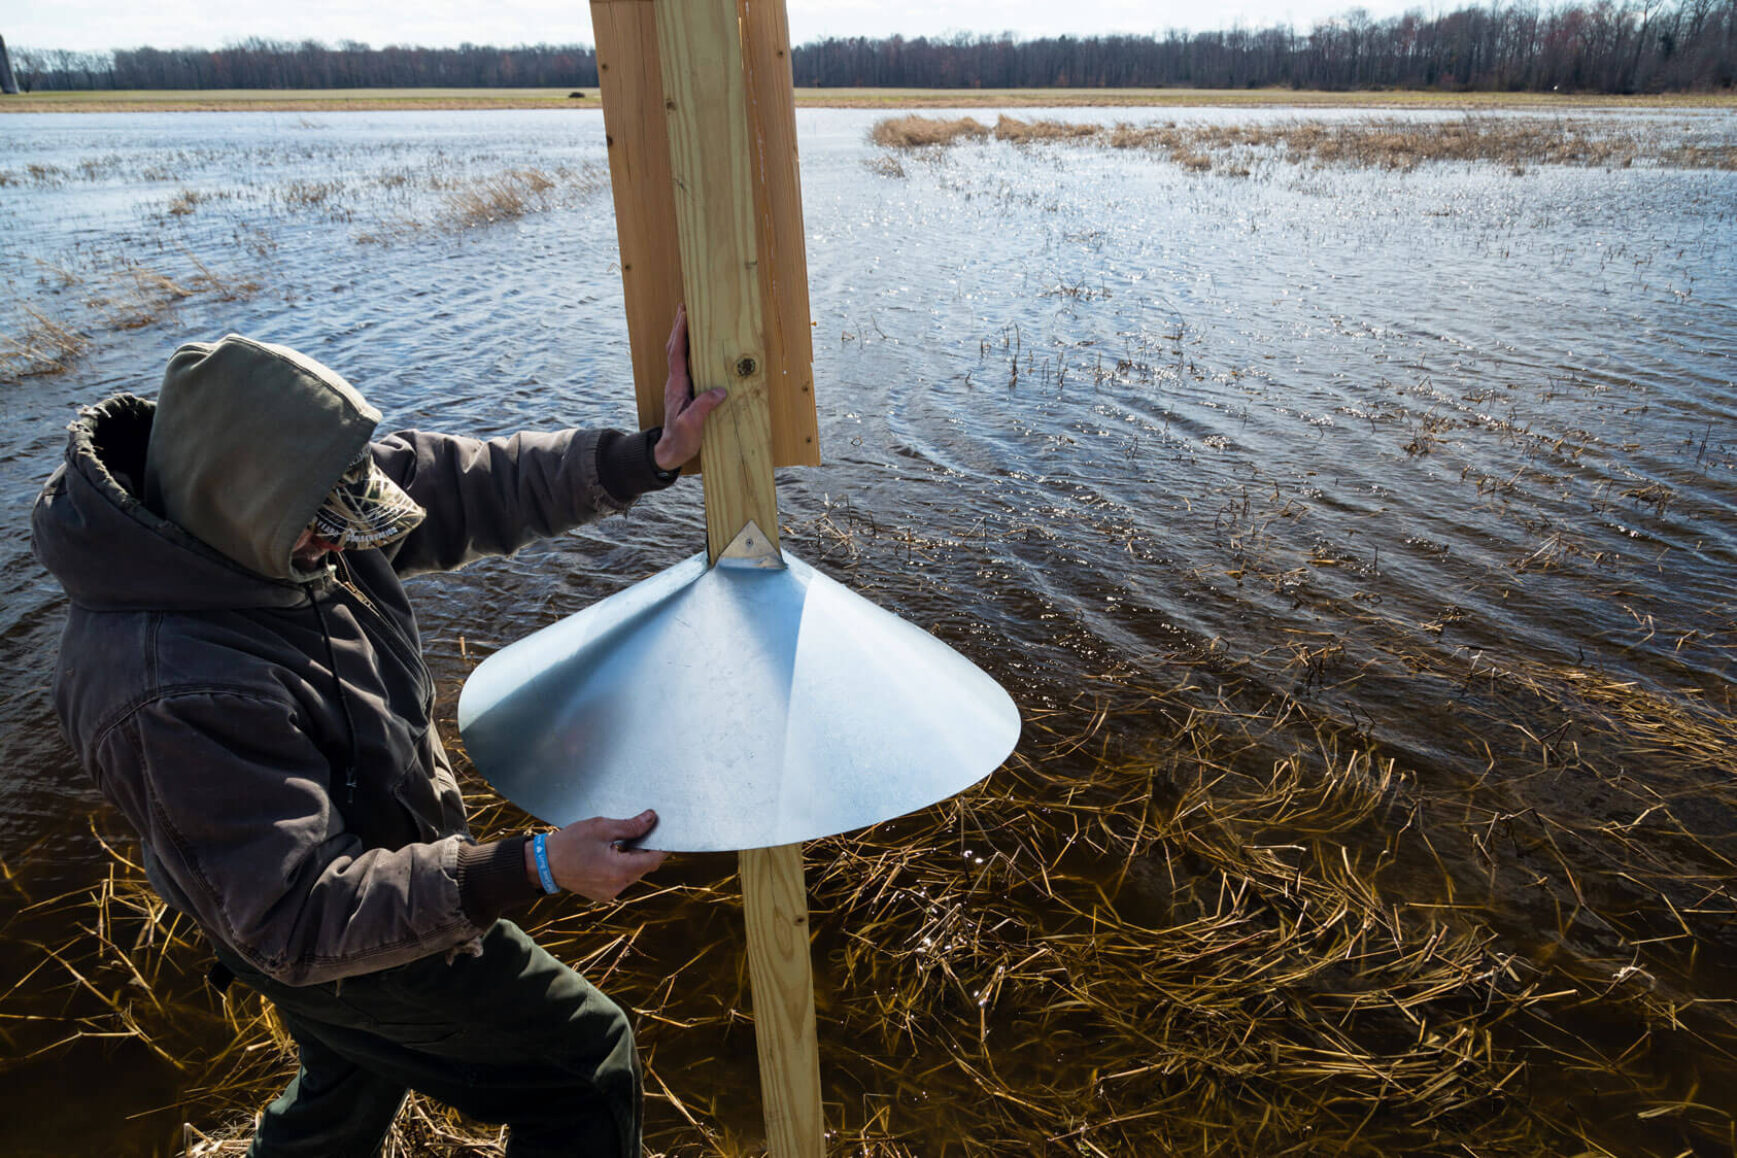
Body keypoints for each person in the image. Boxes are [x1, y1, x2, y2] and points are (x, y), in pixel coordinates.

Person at [30, 307, 724, 1157]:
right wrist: (532, 866)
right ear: (241, 504)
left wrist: (645, 457)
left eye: (351, 513)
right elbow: (293, 915)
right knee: (584, 1061)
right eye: (324, 528)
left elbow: (467, 487)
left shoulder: (282, 503)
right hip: (333, 931)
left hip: (353, 893)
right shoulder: (167, 688)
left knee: (350, 1078)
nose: (344, 542)